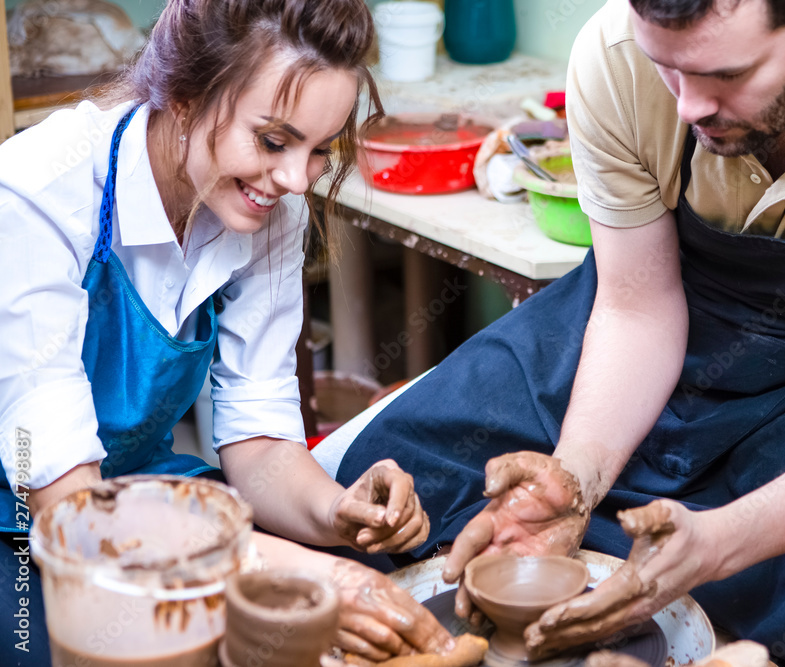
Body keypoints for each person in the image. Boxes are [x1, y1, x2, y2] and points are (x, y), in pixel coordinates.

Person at [314, 0, 785, 664]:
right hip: (627, 329)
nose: (686, 106)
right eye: (666, 67)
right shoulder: (616, 53)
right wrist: (576, 476)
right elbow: (638, 307)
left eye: (726, 75)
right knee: (343, 493)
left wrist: (719, 542)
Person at [0, 0, 452, 664]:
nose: (297, 179)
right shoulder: (38, 192)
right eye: (274, 140)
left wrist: (336, 512)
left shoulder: (264, 202)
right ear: (183, 98)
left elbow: (259, 445)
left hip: (144, 487)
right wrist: (312, 572)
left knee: (359, 600)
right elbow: (74, 509)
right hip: (30, 516)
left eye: (320, 148)